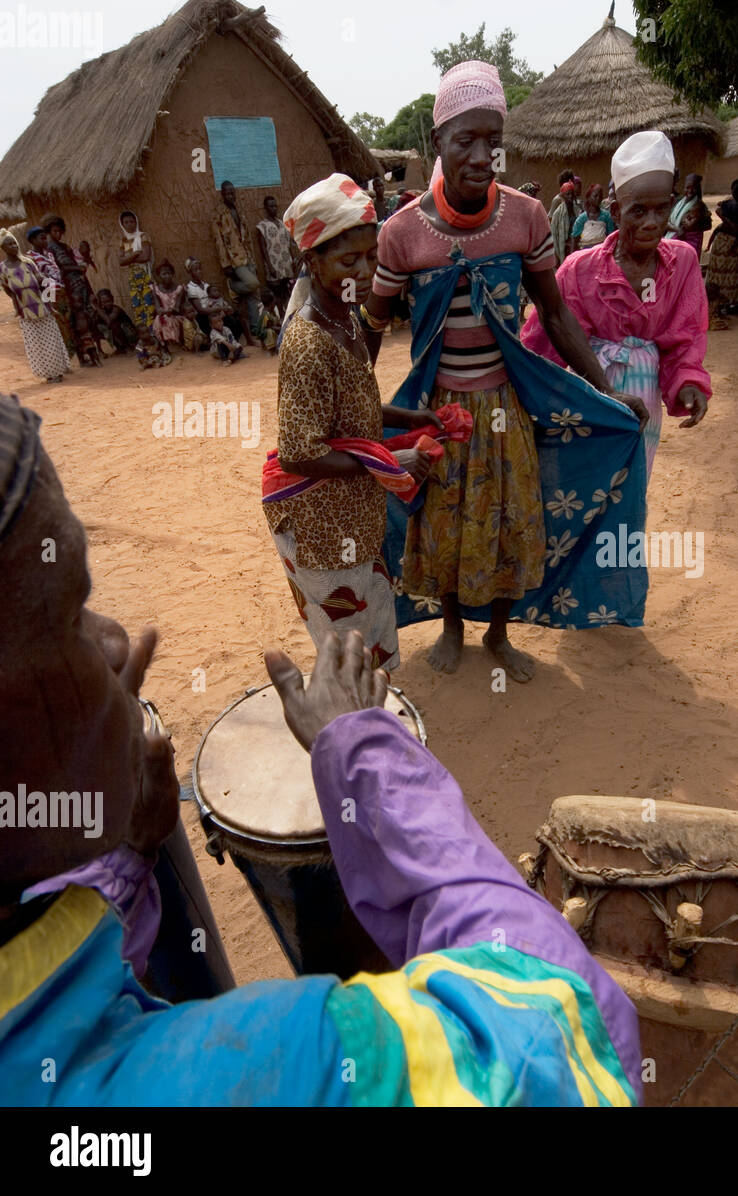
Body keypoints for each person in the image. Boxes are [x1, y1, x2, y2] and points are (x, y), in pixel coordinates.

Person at [0, 396, 641, 1104]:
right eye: (71, 611)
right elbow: (562, 1027)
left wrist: (119, 863)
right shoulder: (282, 1067)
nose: (115, 641)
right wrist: (365, 749)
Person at [361, 61, 650, 684]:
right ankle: (450, 627)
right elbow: (372, 327)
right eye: (466, 139)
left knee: (511, 525)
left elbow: (555, 311)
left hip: (505, 410)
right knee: (438, 525)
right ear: (436, 141)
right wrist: (343, 403)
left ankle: (496, 635)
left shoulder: (526, 218)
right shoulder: (401, 235)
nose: (482, 155)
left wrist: (608, 393)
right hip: (436, 413)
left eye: (494, 140)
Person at [268, 174, 441, 671]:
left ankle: (377, 712)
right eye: (349, 261)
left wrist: (407, 416)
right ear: (312, 261)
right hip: (323, 528)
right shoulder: (308, 344)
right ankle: (358, 728)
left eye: (372, 257)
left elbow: (352, 404)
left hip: (355, 519)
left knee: (373, 629)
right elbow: (300, 452)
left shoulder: (346, 318)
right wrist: (386, 463)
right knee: (348, 650)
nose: (365, 273)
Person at [522, 129, 710, 477]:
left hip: (645, 408)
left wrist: (687, 383)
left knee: (631, 489)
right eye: (638, 211)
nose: (652, 223)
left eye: (661, 209)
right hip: (588, 400)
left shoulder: (682, 262)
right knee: (582, 490)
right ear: (616, 209)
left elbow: (684, 338)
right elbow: (541, 346)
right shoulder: (580, 270)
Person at [0, 232, 69, 382]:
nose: (14, 246)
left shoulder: (28, 262)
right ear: (3, 248)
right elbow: (8, 290)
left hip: (42, 307)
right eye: (9, 244)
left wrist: (50, 303)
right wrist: (17, 306)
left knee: (50, 342)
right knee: (37, 345)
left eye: (14, 242)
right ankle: (48, 374)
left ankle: (57, 372)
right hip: (25, 312)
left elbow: (44, 282)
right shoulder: (2, 269)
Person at [212, 179, 261, 335]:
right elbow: (218, 240)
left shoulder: (239, 210)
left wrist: (252, 257)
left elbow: (246, 237)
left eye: (233, 192)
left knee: (253, 295)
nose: (231, 195)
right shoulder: (218, 214)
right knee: (253, 284)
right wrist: (225, 264)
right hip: (234, 259)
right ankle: (233, 286)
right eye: (227, 193)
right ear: (222, 194)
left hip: (247, 256)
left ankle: (255, 328)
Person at [704, 179, 738, 329]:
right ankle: (718, 310)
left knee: (716, 276)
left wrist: (726, 221)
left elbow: (718, 210)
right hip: (733, 243)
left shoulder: (727, 205)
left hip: (721, 243)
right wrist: (735, 229)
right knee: (728, 276)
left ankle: (716, 309)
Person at [41, 216, 94, 347]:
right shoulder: (49, 249)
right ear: (48, 231)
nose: (58, 234)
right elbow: (58, 269)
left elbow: (77, 264)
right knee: (73, 317)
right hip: (65, 286)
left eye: (60, 231)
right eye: (54, 231)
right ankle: (82, 350)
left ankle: (91, 347)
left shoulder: (65, 246)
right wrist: (76, 268)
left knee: (84, 314)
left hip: (78, 283)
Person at [256, 194, 297, 314]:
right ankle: (280, 315)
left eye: (275, 206)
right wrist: (269, 266)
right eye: (270, 206)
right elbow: (263, 248)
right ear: (265, 208)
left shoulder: (282, 224)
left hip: (285, 264)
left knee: (286, 292)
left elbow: (288, 244)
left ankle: (287, 313)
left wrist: (292, 260)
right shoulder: (262, 226)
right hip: (274, 265)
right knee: (276, 293)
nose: (274, 208)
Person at [150, 261, 203, 353]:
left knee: (171, 320)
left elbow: (177, 308)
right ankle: (165, 345)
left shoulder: (179, 288)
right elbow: (158, 308)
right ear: (159, 275)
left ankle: (174, 345)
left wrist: (171, 311)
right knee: (160, 320)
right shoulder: (156, 289)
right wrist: (164, 312)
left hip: (176, 316)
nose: (167, 276)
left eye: (169, 273)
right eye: (164, 274)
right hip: (163, 316)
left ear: (173, 274)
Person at [116, 211, 155, 331]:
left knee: (149, 303)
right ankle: (145, 335)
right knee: (137, 304)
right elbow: (121, 261)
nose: (129, 224)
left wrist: (128, 258)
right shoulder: (123, 240)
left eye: (131, 221)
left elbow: (146, 257)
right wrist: (134, 254)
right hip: (133, 278)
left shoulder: (143, 236)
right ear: (122, 224)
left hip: (145, 275)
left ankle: (154, 334)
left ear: (136, 222)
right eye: (126, 222)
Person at [94, 289, 140, 354]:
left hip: (130, 333)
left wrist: (97, 308)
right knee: (98, 328)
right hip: (119, 333)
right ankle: (119, 347)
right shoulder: (101, 312)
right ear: (100, 303)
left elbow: (109, 321)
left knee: (114, 326)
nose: (107, 304)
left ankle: (128, 347)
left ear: (112, 299)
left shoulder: (116, 309)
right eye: (104, 302)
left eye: (108, 301)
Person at [572, 183, 616, 249]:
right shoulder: (582, 218)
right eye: (595, 196)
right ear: (589, 197)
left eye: (600, 196)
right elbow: (575, 238)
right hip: (586, 251)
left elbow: (611, 236)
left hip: (601, 250)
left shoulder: (606, 216)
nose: (598, 198)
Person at [549, 176, 578, 265]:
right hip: (563, 246)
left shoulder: (576, 209)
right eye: (567, 194)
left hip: (575, 244)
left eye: (572, 194)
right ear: (563, 196)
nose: (570, 196)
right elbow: (554, 234)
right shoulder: (558, 213)